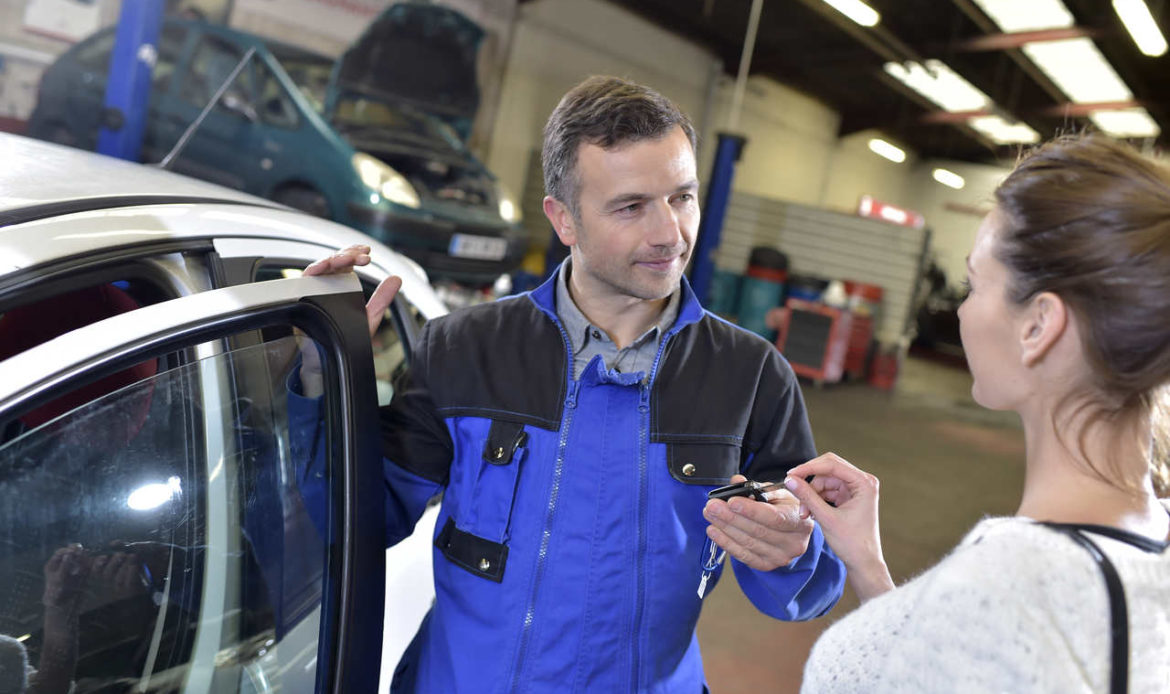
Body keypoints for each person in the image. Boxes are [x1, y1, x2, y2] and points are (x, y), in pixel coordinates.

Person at [291, 75, 845, 692]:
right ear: (564, 220)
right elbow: (354, 522)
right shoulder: (465, 350)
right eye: (631, 207)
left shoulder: (749, 376)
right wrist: (321, 375)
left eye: (682, 197)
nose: (669, 233)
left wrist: (793, 551)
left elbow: (805, 588)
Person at [782, 133, 1170, 692]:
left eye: (974, 284)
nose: (963, 311)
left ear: (1039, 326)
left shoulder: (1005, 587)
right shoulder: (1145, 544)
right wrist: (868, 564)